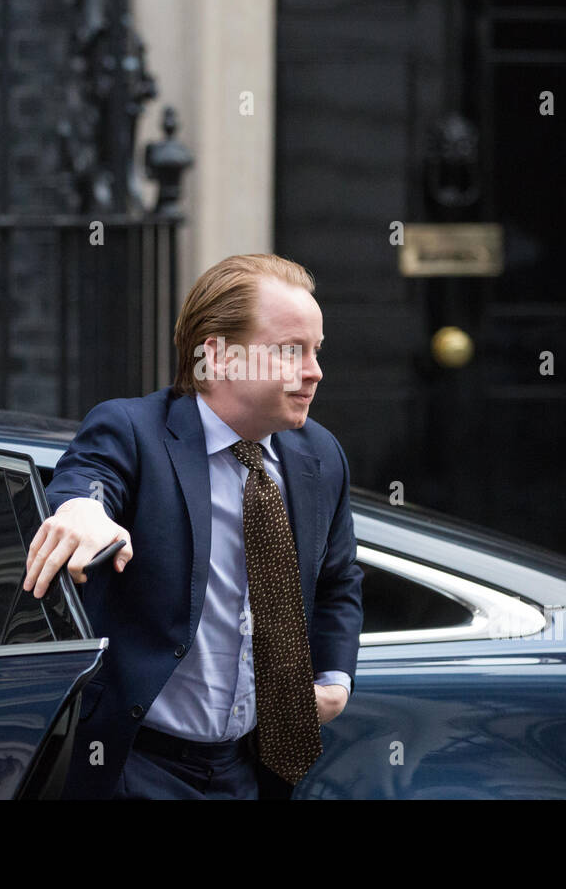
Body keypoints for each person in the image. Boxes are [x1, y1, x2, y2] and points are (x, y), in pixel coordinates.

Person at [23, 253, 363, 799]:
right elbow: (90, 478)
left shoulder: (320, 455)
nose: (314, 371)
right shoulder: (134, 430)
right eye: (290, 350)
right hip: (137, 766)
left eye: (316, 350)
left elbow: (339, 580)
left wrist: (335, 677)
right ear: (220, 356)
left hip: (252, 769)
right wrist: (81, 510)